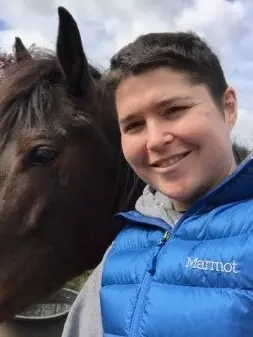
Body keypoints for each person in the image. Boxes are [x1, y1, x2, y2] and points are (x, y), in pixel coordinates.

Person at [61, 30, 253, 337]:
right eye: (134, 125)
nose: (155, 141)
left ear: (228, 107)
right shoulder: (123, 248)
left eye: (174, 110)